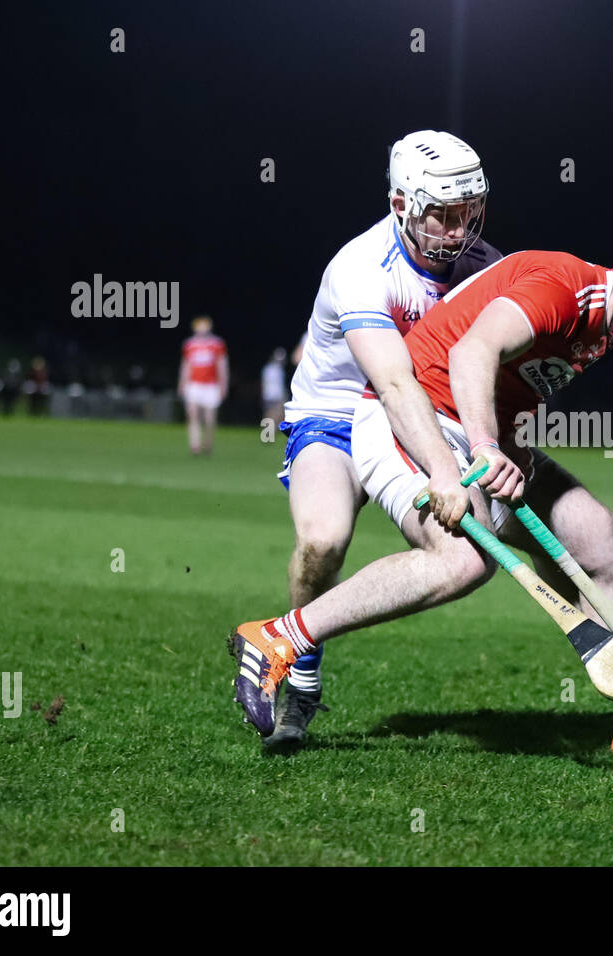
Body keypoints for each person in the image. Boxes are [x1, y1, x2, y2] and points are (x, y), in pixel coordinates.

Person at [232, 241, 613, 757]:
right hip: (411, 420)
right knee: (465, 561)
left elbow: (513, 383)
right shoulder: (565, 288)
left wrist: (509, 448)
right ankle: (279, 637)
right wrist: (487, 449)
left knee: (607, 543)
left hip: (475, 431)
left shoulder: (601, 324)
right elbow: (472, 352)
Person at [256, 130, 499, 750]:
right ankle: (301, 677)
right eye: (443, 215)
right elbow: (391, 381)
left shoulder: (482, 264)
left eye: (469, 213)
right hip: (338, 415)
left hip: (423, 419)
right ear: (400, 206)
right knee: (322, 541)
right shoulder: (361, 268)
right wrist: (447, 473)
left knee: (466, 553)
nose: (458, 231)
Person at [178, 316, 228, 455]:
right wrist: (182, 383)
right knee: (192, 415)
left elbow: (221, 365)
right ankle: (194, 445)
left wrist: (223, 384)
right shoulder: (189, 345)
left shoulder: (217, 344)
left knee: (209, 418)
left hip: (211, 386)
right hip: (194, 384)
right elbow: (186, 365)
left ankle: (208, 443)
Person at [261, 347, 288, 427]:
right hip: (271, 395)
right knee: (271, 414)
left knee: (277, 415)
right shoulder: (270, 369)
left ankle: (272, 432)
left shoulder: (279, 369)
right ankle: (268, 433)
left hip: (276, 395)